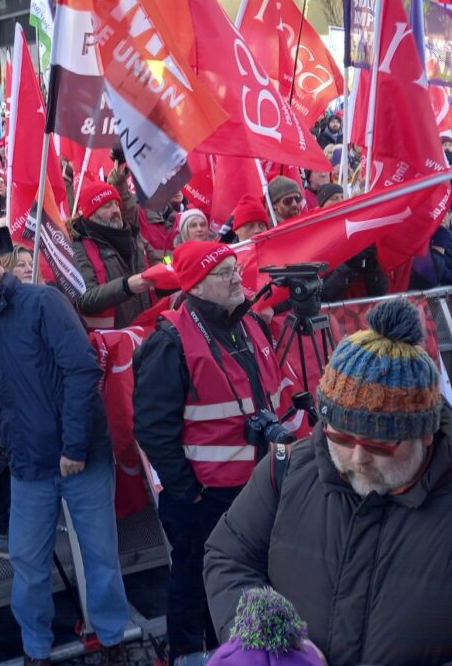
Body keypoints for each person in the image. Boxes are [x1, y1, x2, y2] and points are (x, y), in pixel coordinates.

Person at [204, 298, 452, 665]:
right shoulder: (285, 470)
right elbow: (228, 556)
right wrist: (262, 643)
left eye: (380, 444)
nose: (357, 458)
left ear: (424, 434)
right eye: (339, 437)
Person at [0, 253, 130, 664]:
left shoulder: (43, 301)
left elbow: (81, 370)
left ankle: (113, 639)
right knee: (28, 565)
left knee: (101, 557)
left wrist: (73, 446)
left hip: (81, 458)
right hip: (28, 466)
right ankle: (35, 649)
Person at [133, 241, 288, 663]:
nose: (238, 277)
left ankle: (249, 651)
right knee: (194, 580)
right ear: (197, 286)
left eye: (235, 268)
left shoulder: (249, 322)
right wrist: (188, 490)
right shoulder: (169, 340)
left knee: (254, 576)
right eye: (225, 272)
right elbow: (152, 427)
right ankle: (189, 655)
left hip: (257, 485)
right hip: (204, 495)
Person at [70, 178, 156, 329]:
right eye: (107, 206)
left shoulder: (135, 237)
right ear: (91, 214)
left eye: (116, 204)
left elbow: (160, 262)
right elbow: (84, 300)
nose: (115, 210)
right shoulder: (78, 246)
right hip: (111, 343)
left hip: (147, 332)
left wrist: (171, 268)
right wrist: (126, 286)